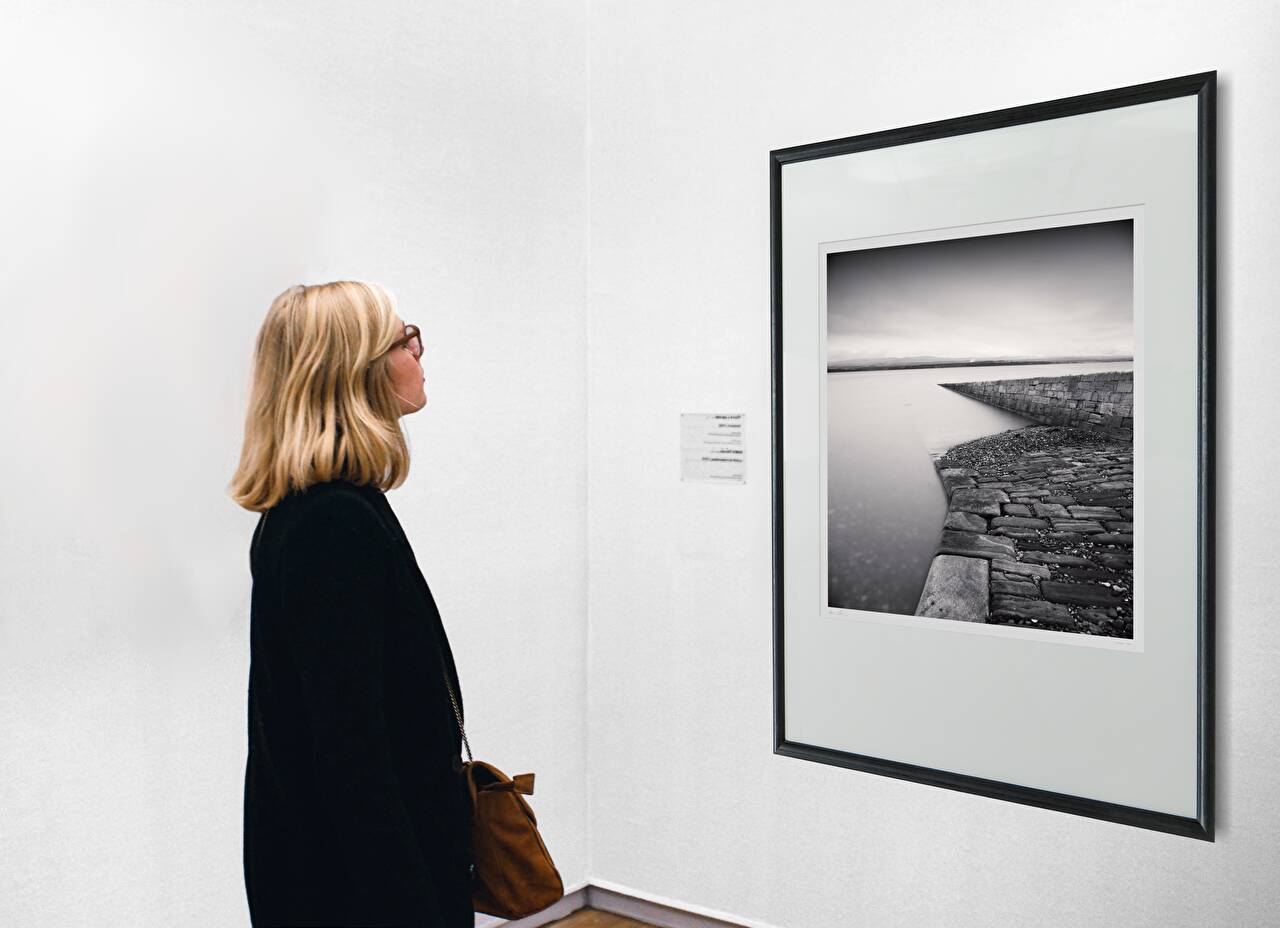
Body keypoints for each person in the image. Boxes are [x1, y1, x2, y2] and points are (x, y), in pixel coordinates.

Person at [228, 280, 474, 927]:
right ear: (353, 374)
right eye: (402, 339)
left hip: (348, 875)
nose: (419, 351)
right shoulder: (331, 525)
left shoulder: (329, 508)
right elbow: (352, 757)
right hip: (360, 892)